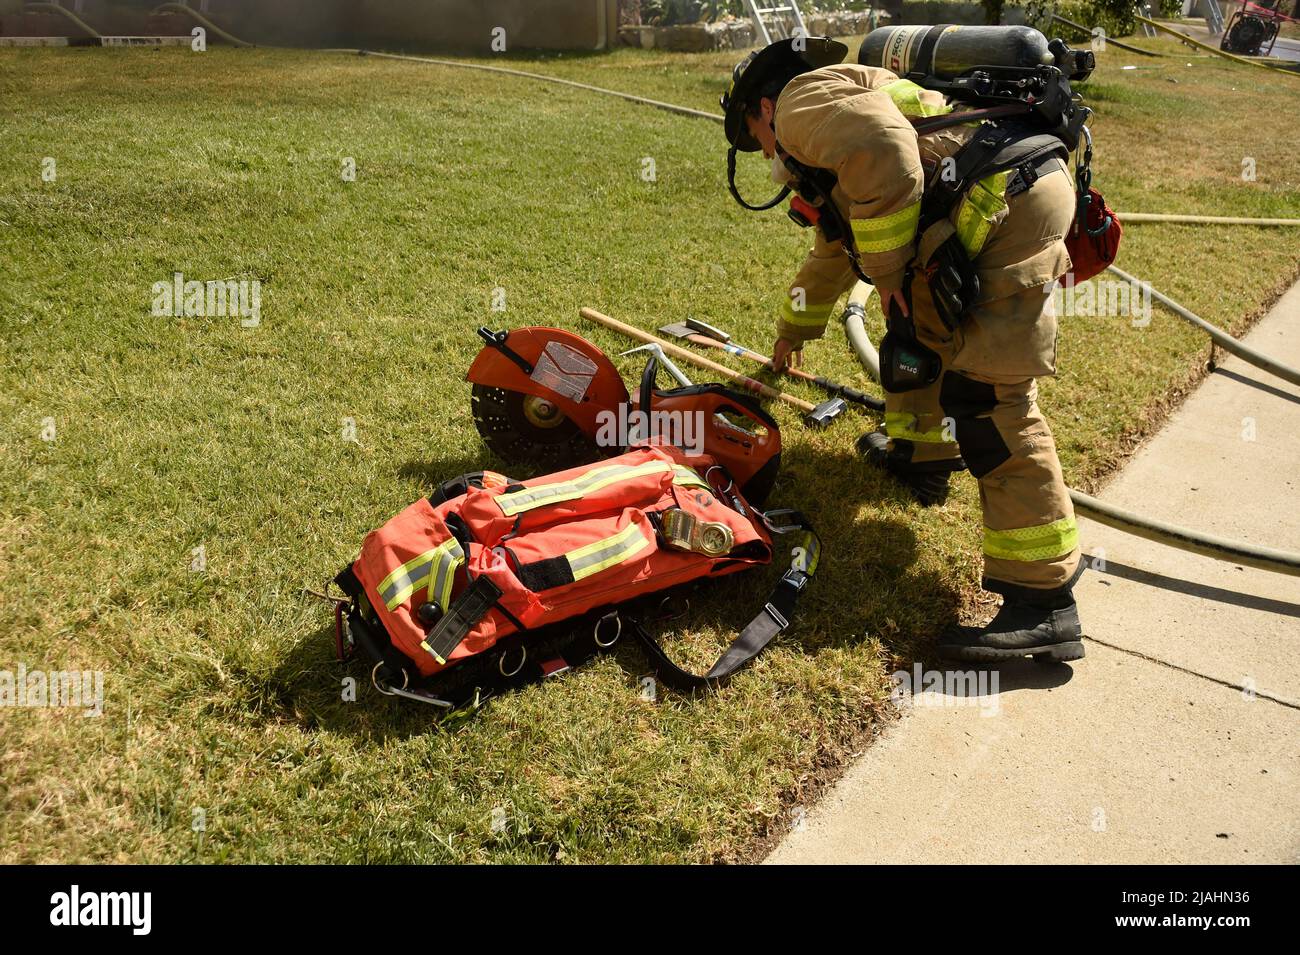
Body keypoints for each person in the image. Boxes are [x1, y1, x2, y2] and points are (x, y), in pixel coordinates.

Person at [721, 37, 1085, 663]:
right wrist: (794, 330)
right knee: (914, 337)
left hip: (1007, 205)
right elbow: (834, 250)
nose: (768, 156)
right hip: (994, 197)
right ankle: (923, 458)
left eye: (757, 139)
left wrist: (889, 274)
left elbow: (890, 155)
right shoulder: (835, 110)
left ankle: (1044, 602)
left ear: (763, 107)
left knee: (990, 399)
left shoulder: (802, 102)